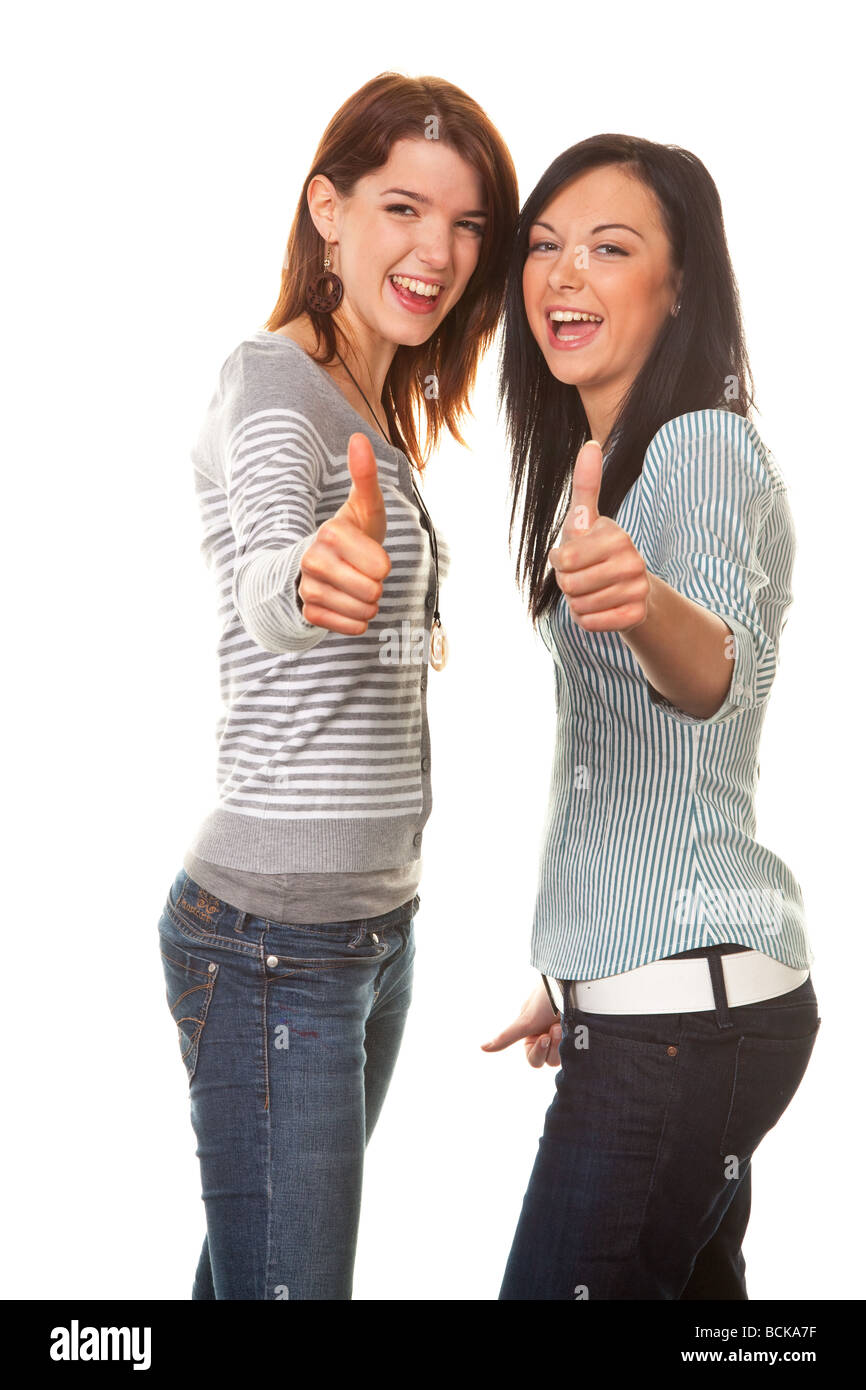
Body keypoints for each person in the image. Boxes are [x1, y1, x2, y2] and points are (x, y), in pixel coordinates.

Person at [156, 71, 518, 1300]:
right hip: (272, 945)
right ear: (327, 210)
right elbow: (267, 565)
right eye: (403, 209)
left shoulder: (369, 393)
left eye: (468, 224)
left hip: (367, 932)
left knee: (252, 1277)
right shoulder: (274, 385)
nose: (439, 250)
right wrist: (308, 580)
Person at [482, 134, 820, 1300]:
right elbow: (623, 770)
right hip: (680, 1007)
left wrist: (648, 606)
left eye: (608, 248)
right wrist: (579, 972)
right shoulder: (612, 458)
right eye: (543, 246)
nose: (563, 274)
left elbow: (717, 674)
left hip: (679, 1031)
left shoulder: (703, 447)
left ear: (677, 287)